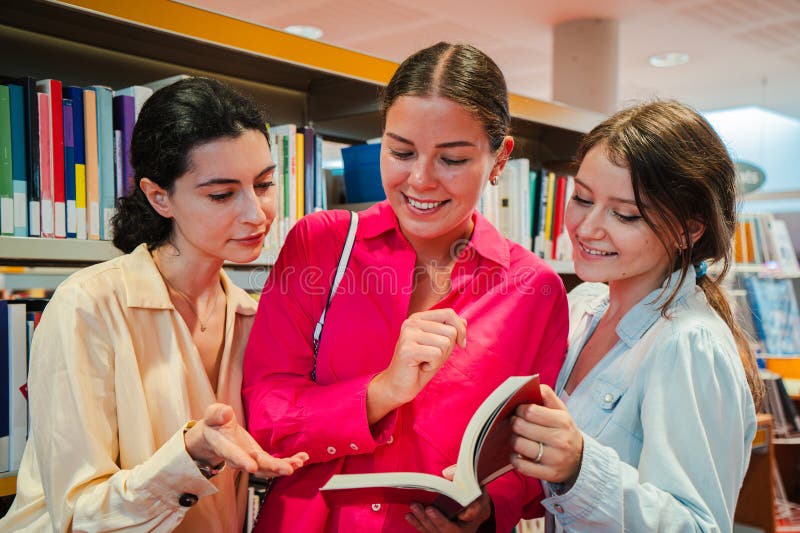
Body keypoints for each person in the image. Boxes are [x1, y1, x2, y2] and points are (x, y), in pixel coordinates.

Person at [242, 42, 568, 532]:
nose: (419, 179)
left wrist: (490, 508)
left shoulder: (534, 290)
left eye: (452, 159)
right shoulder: (320, 244)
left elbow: (532, 458)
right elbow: (265, 419)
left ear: (499, 159)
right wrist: (380, 393)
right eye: (400, 152)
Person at [0, 77, 308, 533]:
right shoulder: (87, 306)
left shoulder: (254, 315)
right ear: (159, 196)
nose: (256, 213)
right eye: (222, 194)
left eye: (263, 184)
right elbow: (77, 511)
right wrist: (190, 455)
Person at [509, 100, 763, 531]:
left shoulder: (688, 344)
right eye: (582, 198)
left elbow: (700, 526)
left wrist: (580, 468)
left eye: (624, 214)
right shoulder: (583, 307)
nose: (587, 228)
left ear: (689, 229)